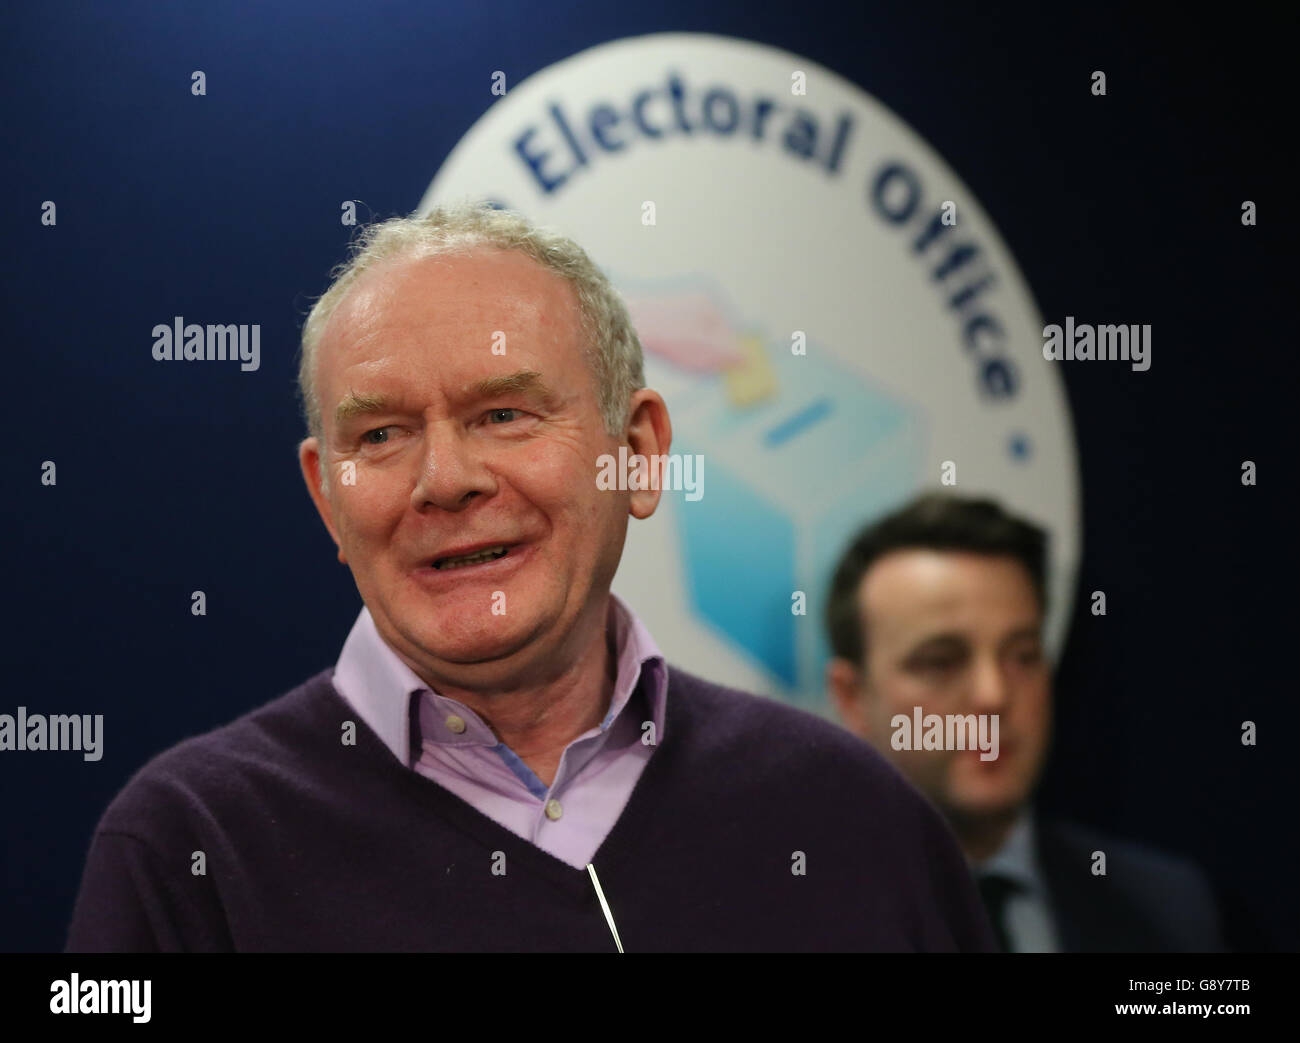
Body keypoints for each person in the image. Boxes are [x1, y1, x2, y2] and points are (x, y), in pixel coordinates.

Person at [65, 203, 994, 953]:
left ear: (635, 454)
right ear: (326, 497)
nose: (446, 480)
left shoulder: (850, 812)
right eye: (381, 434)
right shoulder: (187, 849)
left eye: (504, 413)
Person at [825, 492, 1224, 952]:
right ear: (852, 698)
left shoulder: (1168, 907)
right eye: (941, 661)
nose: (993, 696)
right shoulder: (780, 915)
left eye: (1023, 656)